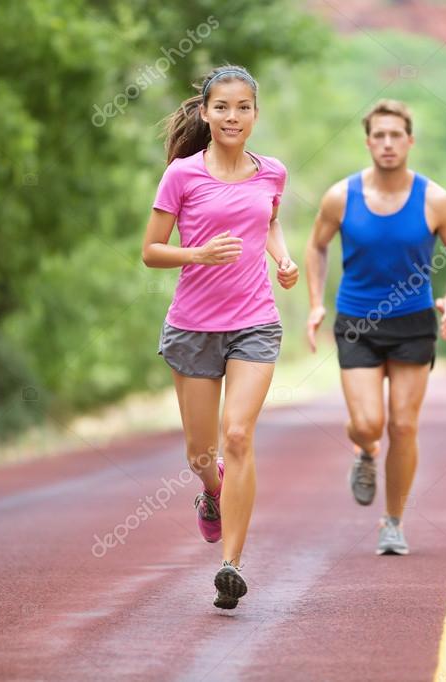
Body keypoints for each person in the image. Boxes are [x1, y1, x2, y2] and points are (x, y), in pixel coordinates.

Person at [142, 65, 298, 609]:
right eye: (223, 107)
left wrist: (283, 257)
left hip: (255, 321)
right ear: (206, 113)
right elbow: (151, 250)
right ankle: (212, 493)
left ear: (256, 113)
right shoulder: (183, 175)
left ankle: (231, 564)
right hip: (192, 327)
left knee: (238, 437)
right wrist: (198, 254)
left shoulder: (271, 172)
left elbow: (271, 221)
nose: (234, 117)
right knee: (201, 454)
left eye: (244, 107)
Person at [304, 99, 446, 556]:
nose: (386, 143)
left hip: (413, 323)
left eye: (395, 135)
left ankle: (393, 521)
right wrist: (314, 304)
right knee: (369, 423)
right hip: (357, 322)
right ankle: (365, 451)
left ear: (410, 141)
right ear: (368, 142)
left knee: (403, 425)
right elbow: (316, 247)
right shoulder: (340, 197)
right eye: (378, 135)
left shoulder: (435, 200)